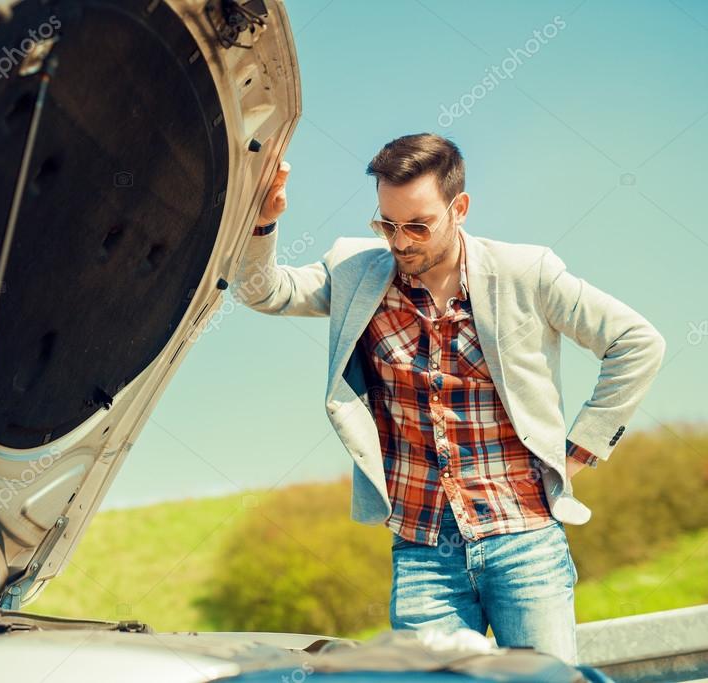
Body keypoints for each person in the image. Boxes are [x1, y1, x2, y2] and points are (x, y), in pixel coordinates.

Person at [233, 132, 666, 664]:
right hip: (422, 550)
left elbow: (638, 343)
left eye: (418, 225)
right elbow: (263, 291)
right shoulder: (354, 271)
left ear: (459, 208)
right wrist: (262, 222)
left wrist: (579, 450)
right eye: (386, 224)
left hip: (524, 537)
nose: (401, 240)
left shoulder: (525, 272)